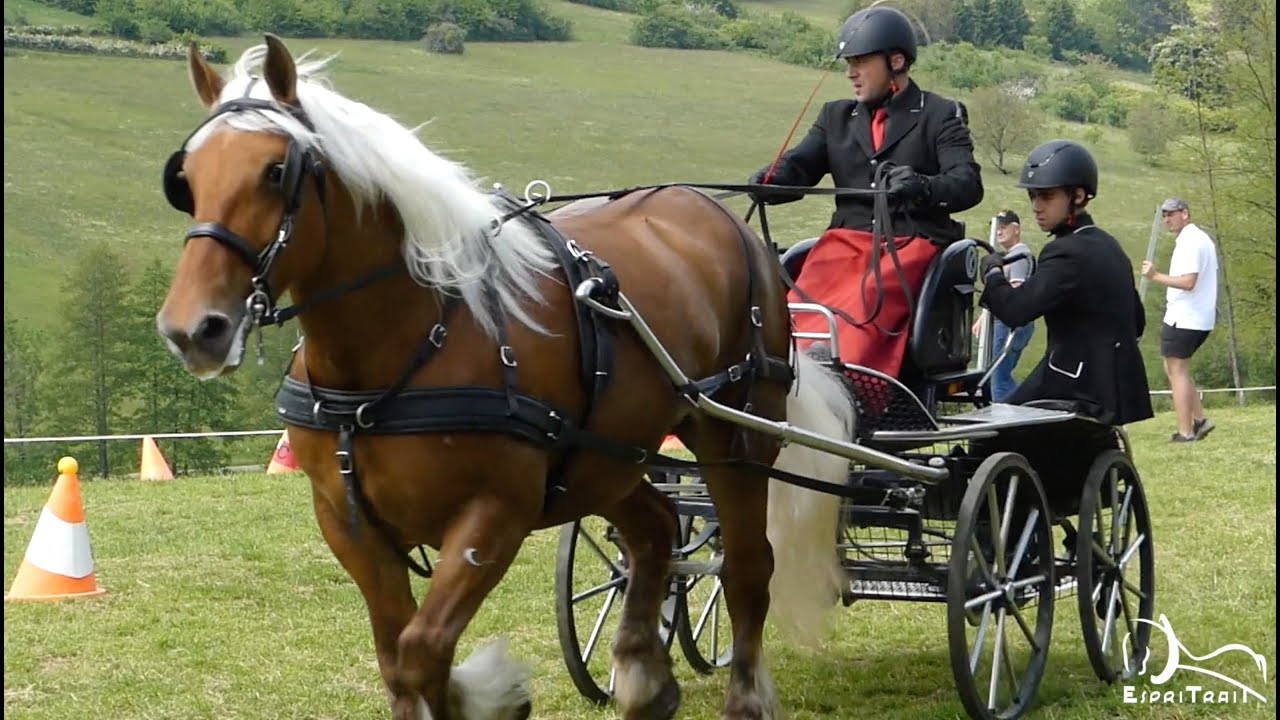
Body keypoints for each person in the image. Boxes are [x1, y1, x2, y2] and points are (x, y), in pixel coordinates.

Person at [747, 5, 983, 376]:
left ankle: (850, 383)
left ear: (896, 61)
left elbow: (967, 183)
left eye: (860, 62)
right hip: (843, 246)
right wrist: (770, 180)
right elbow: (800, 166)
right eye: (848, 63)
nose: (850, 73)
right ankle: (783, 377)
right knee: (799, 304)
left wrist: (922, 186)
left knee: (868, 297)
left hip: (909, 245)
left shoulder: (940, 114)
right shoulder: (835, 117)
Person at [979, 140, 1153, 427]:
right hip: (1117, 389)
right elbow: (1137, 323)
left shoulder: (1066, 252)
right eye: (1033, 196)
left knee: (988, 431)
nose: (1036, 206)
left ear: (1078, 196)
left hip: (1076, 388)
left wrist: (993, 273)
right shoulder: (1110, 245)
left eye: (1047, 196)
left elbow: (1014, 310)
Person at [1141, 198, 1219, 442]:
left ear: (1185, 213)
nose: (1167, 219)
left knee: (1177, 371)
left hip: (1186, 317)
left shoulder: (1191, 242)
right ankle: (1200, 420)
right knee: (1174, 369)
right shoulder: (1199, 239)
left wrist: (1155, 276)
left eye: (1171, 214)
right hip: (1196, 316)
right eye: (1164, 215)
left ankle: (1186, 432)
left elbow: (1188, 282)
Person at [972, 210, 1036, 401]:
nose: (999, 232)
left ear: (1016, 229)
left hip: (1009, 324)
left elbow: (1014, 293)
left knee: (999, 380)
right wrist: (984, 318)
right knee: (995, 378)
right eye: (998, 228)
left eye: (1004, 227)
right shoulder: (1012, 255)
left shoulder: (1018, 256)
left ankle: (1021, 410)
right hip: (1010, 323)